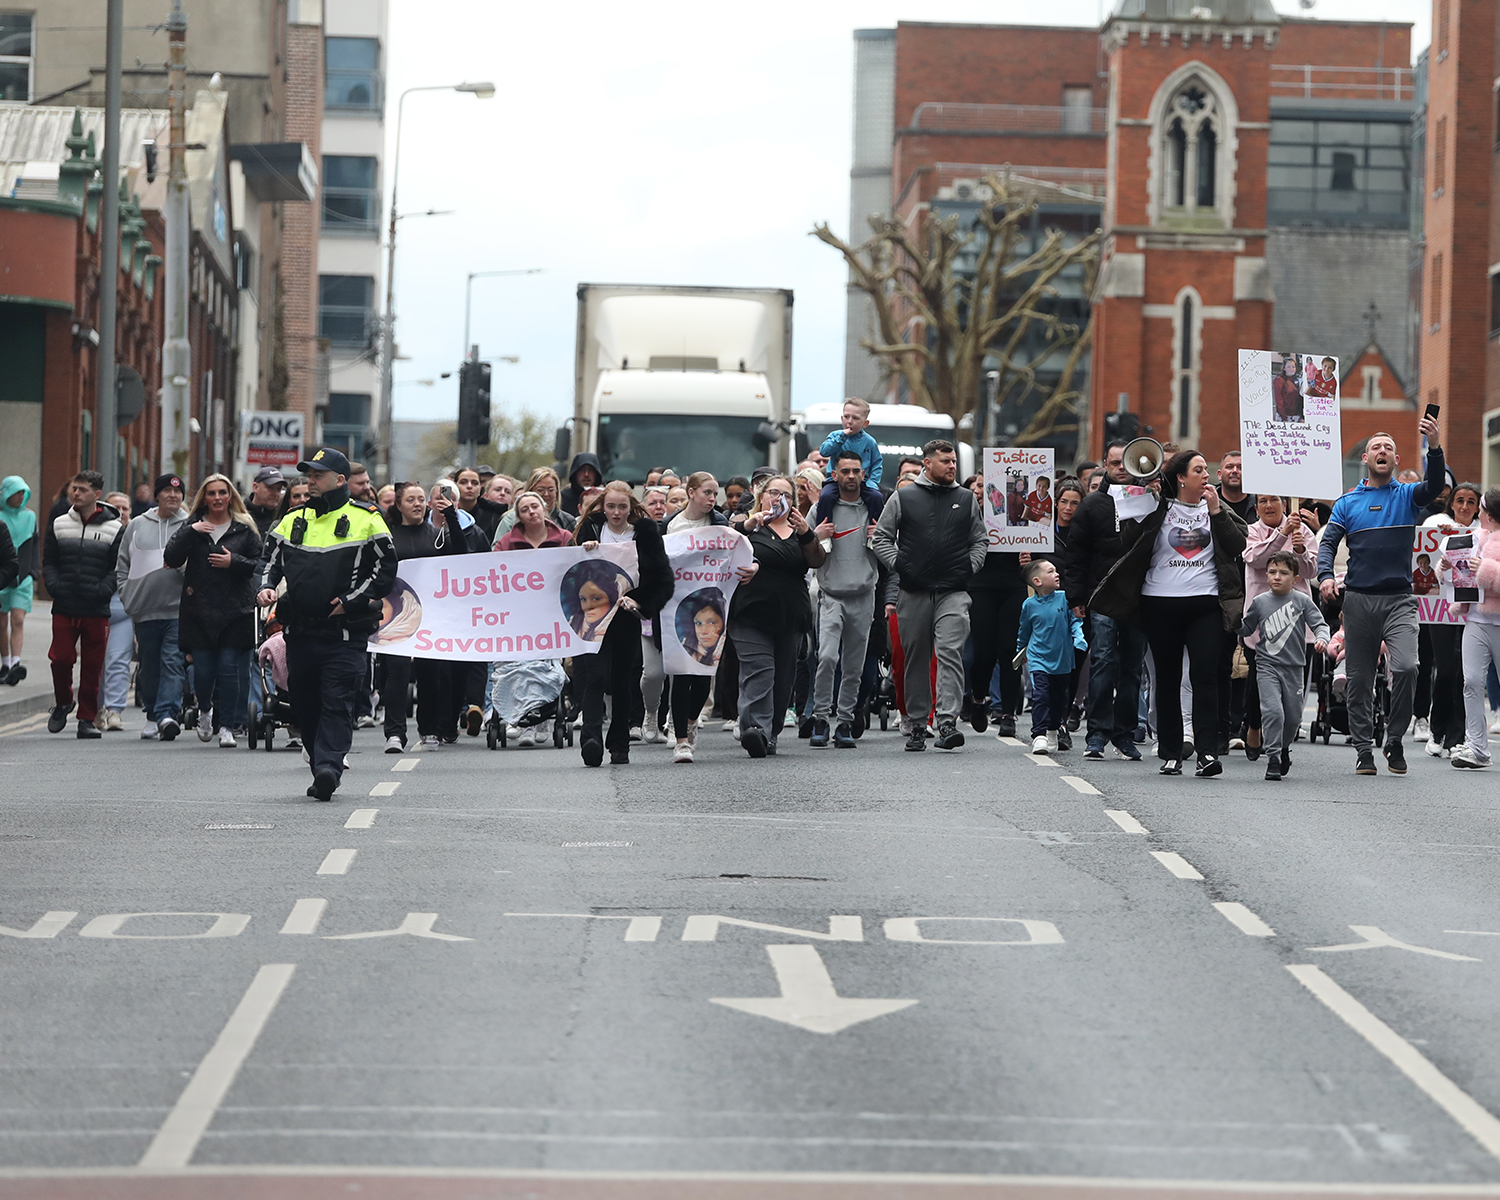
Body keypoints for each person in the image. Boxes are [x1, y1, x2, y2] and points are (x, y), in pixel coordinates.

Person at [1091, 449, 1248, 778]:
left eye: (1207, 469)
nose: (1207, 475)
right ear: (1181, 478)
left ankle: (1206, 752)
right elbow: (1130, 542)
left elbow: (1237, 546)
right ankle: (1171, 751)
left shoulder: (1215, 509)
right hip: (1160, 602)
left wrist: (1218, 512)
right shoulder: (1159, 507)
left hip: (1205, 603)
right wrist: (1145, 505)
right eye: (1199, 470)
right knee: (1167, 678)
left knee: (1204, 677)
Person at [257, 448, 396, 801]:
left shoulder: (367, 518)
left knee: (337, 700)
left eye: (318, 476)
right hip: (300, 633)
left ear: (339, 480)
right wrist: (267, 587)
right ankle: (321, 762)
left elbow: (386, 571)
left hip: (344, 633)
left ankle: (329, 768)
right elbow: (269, 562)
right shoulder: (292, 520)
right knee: (305, 704)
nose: (311, 481)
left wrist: (350, 602)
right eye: (309, 475)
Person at [1318, 419, 1444, 776]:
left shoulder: (1407, 495)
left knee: (1407, 667)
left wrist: (1434, 446)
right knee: (1358, 681)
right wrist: (1326, 576)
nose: (1383, 451)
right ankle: (1362, 749)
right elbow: (1328, 543)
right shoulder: (1347, 502)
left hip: (1400, 599)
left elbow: (1434, 485)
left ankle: (1394, 739)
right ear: (1365, 458)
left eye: (1389, 447)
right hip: (1358, 601)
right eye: (1377, 447)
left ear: (1396, 458)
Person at [873, 439, 988, 753]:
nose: (952, 466)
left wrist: (971, 566)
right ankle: (917, 723)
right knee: (916, 658)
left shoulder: (965, 499)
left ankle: (947, 722)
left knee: (950, 652)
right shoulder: (904, 497)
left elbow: (980, 539)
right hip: (914, 590)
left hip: (954, 591)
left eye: (954, 461)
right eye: (945, 461)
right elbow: (881, 538)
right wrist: (901, 566)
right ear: (927, 463)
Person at [572, 481, 674, 766]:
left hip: (626, 617)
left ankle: (619, 744)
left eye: (622, 507)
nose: (616, 513)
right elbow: (569, 570)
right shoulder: (590, 529)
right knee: (595, 677)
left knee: (621, 680)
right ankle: (591, 740)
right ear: (602, 507)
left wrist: (639, 604)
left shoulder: (646, 535)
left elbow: (663, 581)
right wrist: (584, 550)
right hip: (591, 616)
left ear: (632, 507)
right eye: (611, 507)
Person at [727, 474, 825, 757]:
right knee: (759, 671)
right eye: (773, 492)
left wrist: (808, 532)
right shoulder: (748, 526)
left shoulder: (799, 530)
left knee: (783, 678)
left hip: (790, 614)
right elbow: (726, 539)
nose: (779, 498)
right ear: (761, 496)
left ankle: (771, 732)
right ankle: (755, 729)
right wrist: (751, 527)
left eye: (787, 494)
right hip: (749, 612)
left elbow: (817, 560)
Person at [164, 475, 263, 748]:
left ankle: (227, 727)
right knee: (204, 672)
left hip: (236, 611)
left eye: (222, 492)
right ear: (203, 498)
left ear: (230, 496)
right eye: (211, 493)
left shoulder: (244, 528)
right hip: (199, 610)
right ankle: (205, 709)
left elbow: (258, 564)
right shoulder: (194, 527)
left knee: (230, 669)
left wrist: (234, 561)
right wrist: (190, 530)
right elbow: (171, 558)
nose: (217, 498)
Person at [1064, 440, 1147, 761]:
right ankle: (1097, 733)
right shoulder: (1092, 505)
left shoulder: (1148, 501)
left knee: (1131, 670)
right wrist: (1076, 597)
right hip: (1101, 597)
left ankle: (1124, 735)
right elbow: (1077, 555)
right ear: (1105, 465)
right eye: (1115, 463)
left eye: (1126, 463)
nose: (1121, 468)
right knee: (1102, 663)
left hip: (1138, 598)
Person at [380, 481, 468, 751]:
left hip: (432, 614)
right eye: (411, 500)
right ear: (399, 505)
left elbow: (461, 554)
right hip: (396, 614)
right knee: (396, 672)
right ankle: (394, 733)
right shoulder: (389, 536)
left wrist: (450, 514)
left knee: (431, 673)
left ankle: (429, 729)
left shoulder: (437, 535)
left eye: (421, 499)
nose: (417, 504)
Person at [43, 472, 124, 738]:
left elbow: (118, 568)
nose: (75, 494)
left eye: (82, 490)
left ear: (97, 495)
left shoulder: (115, 528)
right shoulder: (59, 523)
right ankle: (64, 701)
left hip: (96, 608)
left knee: (92, 666)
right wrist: (55, 586)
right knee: (60, 658)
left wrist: (103, 590)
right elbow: (50, 561)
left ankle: (87, 718)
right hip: (65, 604)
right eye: (73, 489)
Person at [809, 450, 880, 749]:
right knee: (826, 657)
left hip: (863, 594)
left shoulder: (875, 507)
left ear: (864, 474)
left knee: (854, 664)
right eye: (845, 471)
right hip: (831, 594)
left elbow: (892, 553)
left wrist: (881, 539)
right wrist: (815, 534)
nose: (851, 476)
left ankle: (845, 722)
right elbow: (807, 552)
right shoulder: (821, 508)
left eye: (856, 471)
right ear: (834, 475)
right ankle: (821, 718)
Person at [1240, 492, 1318, 760]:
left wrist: (1300, 550)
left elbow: (1311, 571)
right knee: (1258, 680)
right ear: (1257, 507)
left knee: (1291, 688)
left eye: (1274, 500)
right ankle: (1254, 724)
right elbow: (1256, 560)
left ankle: (1283, 741)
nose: (1268, 505)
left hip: (1296, 624)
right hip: (1261, 623)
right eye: (1262, 501)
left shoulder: (1303, 531)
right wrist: (1281, 535)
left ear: (1285, 504)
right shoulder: (1251, 531)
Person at [1239, 551, 1329, 780]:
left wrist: (1321, 639)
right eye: (1272, 572)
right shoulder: (1259, 602)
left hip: (1294, 667)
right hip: (1266, 664)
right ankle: (1272, 758)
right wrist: (1233, 626)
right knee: (1273, 712)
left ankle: (1283, 747)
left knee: (1292, 718)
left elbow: (1320, 624)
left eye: (1284, 573)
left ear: (1296, 578)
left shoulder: (1302, 601)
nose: (1277, 577)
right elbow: (1246, 628)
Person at [116, 474, 189, 740]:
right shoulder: (137, 524)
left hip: (178, 610)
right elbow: (122, 563)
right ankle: (152, 715)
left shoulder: (190, 525)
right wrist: (127, 595)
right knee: (149, 665)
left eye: (178, 493)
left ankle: (167, 714)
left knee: (172, 661)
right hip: (145, 609)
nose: (173, 496)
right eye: (168, 492)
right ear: (157, 495)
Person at [962, 471, 1026, 738]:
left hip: (1013, 585)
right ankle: (978, 699)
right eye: (979, 486)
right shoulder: (969, 513)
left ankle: (1008, 714)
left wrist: (1031, 556)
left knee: (1009, 653)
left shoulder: (1021, 511)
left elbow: (1041, 541)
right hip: (981, 586)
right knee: (983, 653)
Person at [1420, 482, 1480, 759]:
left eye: (1470, 501)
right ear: (1452, 504)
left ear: (1478, 506)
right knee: (1445, 670)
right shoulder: (1436, 530)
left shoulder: (1486, 535)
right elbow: (1426, 572)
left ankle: (1457, 736)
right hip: (1441, 610)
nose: (1465, 507)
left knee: (1463, 672)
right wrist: (1440, 565)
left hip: (1473, 610)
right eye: (1460, 501)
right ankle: (1436, 730)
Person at [1018, 558, 1087, 755]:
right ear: (1037, 581)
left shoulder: (1065, 599)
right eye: (1050, 571)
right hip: (1038, 657)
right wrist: (1020, 650)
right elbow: (1025, 630)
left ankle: (1053, 730)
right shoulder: (1029, 605)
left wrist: (1079, 638)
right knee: (1040, 695)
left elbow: (1075, 622)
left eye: (1056, 570)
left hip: (1062, 659)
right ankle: (1038, 735)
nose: (1057, 574)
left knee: (1058, 699)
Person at [1452, 488, 1500, 768]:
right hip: (1476, 620)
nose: (1477, 513)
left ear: (1490, 513)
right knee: (1471, 682)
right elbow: (1455, 576)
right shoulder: (1474, 539)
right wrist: (1447, 566)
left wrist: (1485, 569)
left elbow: (1486, 574)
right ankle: (1476, 747)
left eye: (1481, 508)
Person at [96, 491, 137, 731]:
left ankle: (114, 711)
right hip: (98, 606)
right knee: (96, 663)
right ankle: (96, 709)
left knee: (118, 661)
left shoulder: (138, 534)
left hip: (124, 608)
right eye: (116, 508)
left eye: (125, 508)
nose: (121, 513)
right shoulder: (97, 533)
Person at [816, 398, 884, 522]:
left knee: (876, 497)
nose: (850, 421)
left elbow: (877, 464)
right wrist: (841, 437)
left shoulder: (869, 442)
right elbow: (824, 451)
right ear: (842, 418)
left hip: (862, 482)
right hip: (835, 481)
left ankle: (876, 532)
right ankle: (824, 529)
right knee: (826, 496)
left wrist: (873, 482)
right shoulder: (835, 436)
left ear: (865, 423)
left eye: (855, 418)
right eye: (846, 417)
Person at [0, 475, 38, 686]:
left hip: (22, 576)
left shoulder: (30, 517)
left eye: (24, 492)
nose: (21, 496)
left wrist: (34, 571)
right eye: (16, 492)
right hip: (2, 574)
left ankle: (15, 662)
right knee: (1, 620)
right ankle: (5, 663)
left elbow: (34, 545)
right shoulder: (0, 517)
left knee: (18, 619)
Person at [492, 468, 575, 540]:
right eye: (540, 489)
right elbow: (498, 552)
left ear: (557, 492)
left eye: (551, 490)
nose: (546, 494)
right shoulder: (511, 519)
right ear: (530, 491)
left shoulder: (568, 521)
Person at [495, 491, 572, 551]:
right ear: (519, 517)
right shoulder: (506, 542)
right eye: (524, 510)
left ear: (544, 510)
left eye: (535, 507)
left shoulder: (565, 537)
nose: (531, 512)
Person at [246, 466, 288, 535]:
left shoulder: (284, 517)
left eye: (279, 489)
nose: (275, 493)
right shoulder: (239, 514)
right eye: (270, 488)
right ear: (255, 487)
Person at [560, 452, 604, 517]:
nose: (586, 474)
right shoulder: (562, 499)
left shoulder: (604, 498)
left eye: (591, 470)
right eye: (582, 470)